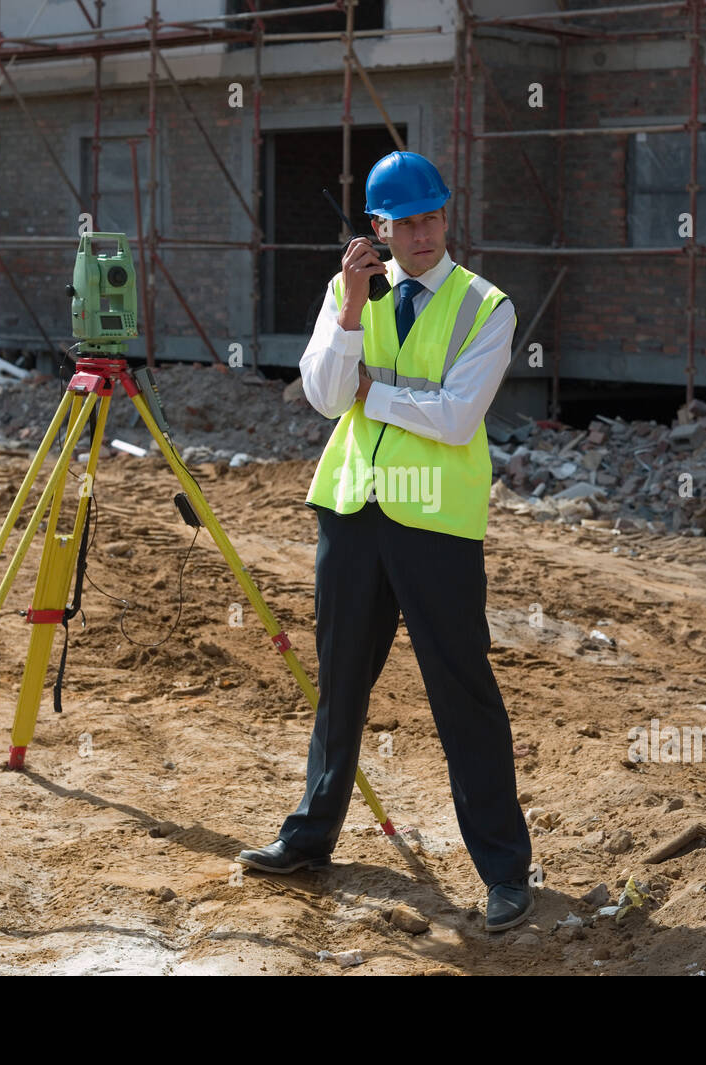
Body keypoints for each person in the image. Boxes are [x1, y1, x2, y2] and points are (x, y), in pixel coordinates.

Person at [237, 150, 535, 932]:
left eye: (433, 216)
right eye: (406, 222)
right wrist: (349, 316)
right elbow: (325, 394)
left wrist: (375, 388)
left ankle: (506, 870)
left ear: (446, 217)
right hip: (350, 509)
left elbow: (456, 416)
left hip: (434, 520)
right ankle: (309, 836)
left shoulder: (485, 307)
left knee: (462, 693)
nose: (424, 232)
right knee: (338, 686)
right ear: (379, 229)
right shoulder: (350, 293)